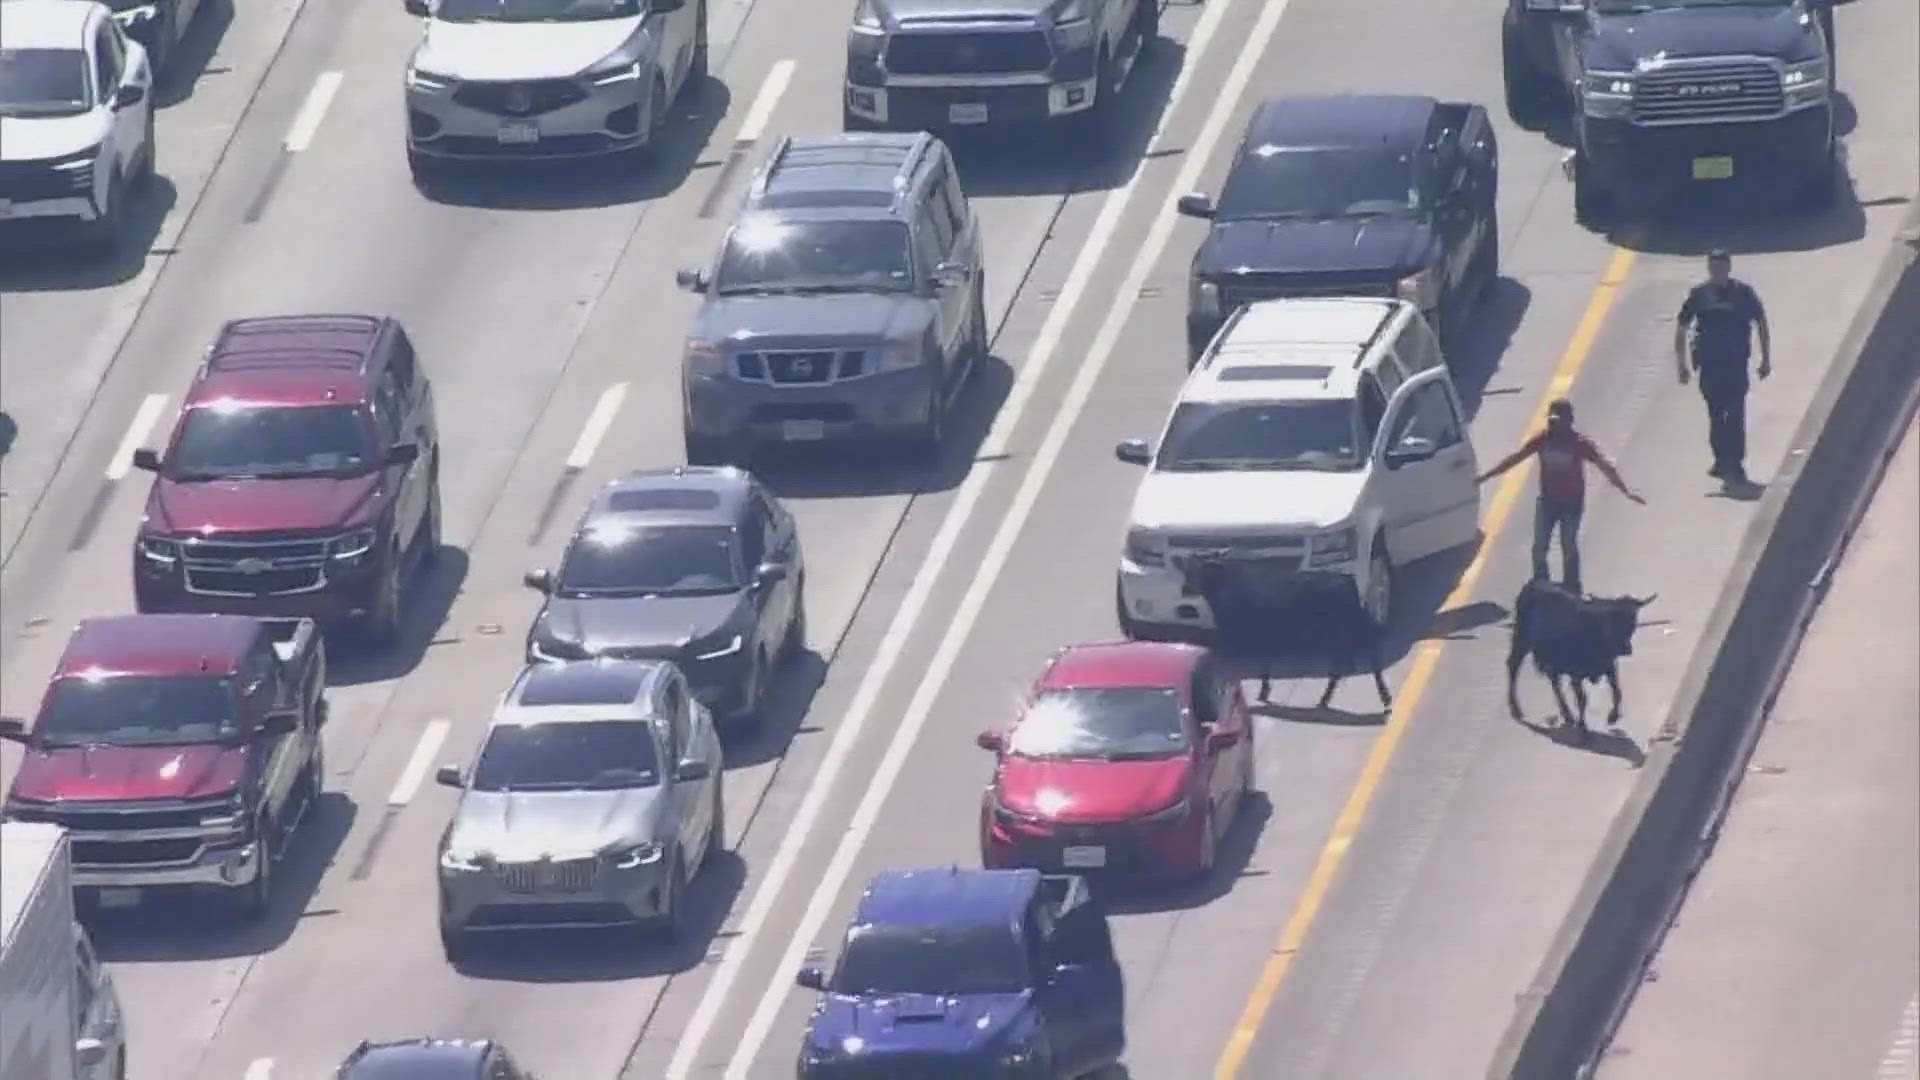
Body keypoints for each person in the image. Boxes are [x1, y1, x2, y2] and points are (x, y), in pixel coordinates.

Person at [1478, 398, 1644, 593]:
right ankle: (1542, 586)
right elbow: (1515, 458)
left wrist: (1625, 490)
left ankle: (1572, 588)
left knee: (1569, 545)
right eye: (1551, 420)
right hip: (1548, 501)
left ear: (1569, 421)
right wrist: (1487, 476)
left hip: (1572, 503)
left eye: (1557, 421)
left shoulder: (1579, 444)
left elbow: (1605, 466)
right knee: (1539, 546)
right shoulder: (1543, 439)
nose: (1553, 425)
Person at [1675, 249, 1771, 485]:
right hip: (1710, 365)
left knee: (1736, 415)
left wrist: (1765, 358)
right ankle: (1720, 459)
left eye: (1721, 267)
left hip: (1736, 364)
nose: (1717, 271)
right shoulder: (1700, 294)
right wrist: (1682, 364)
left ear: (1729, 267)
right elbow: (1682, 326)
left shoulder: (1743, 293)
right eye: (1713, 267)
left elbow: (1761, 322)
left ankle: (1736, 463)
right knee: (1716, 416)